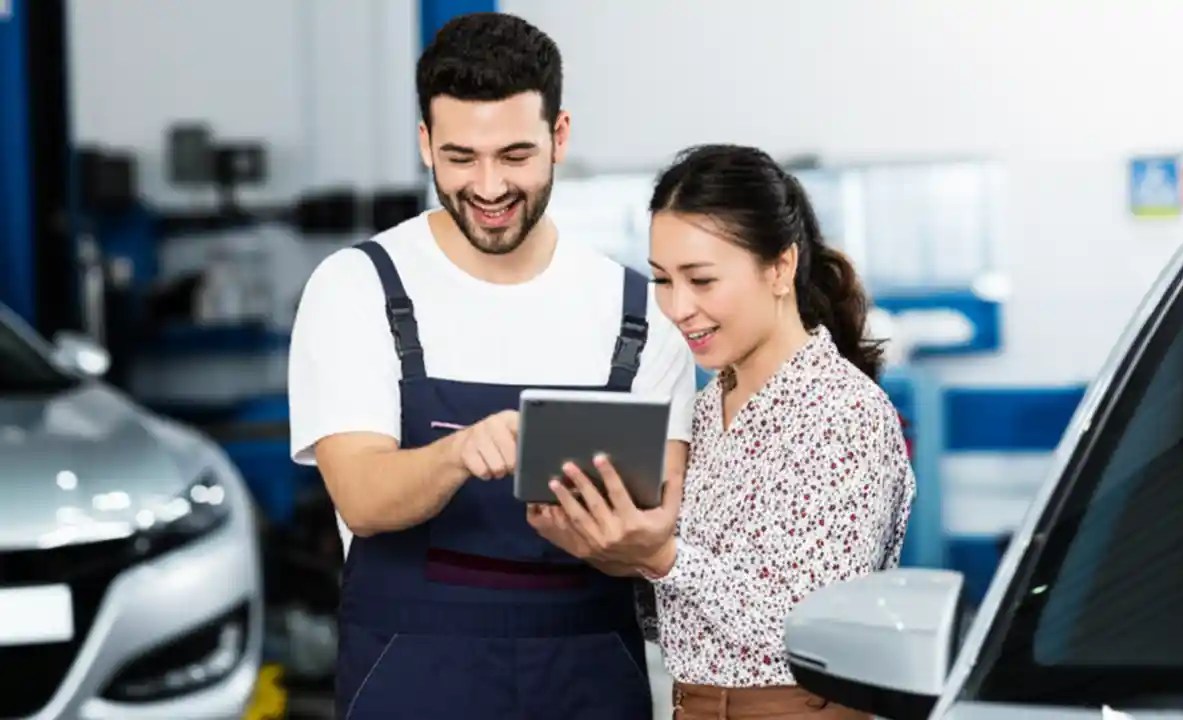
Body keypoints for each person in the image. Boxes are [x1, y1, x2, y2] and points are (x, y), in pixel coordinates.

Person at [287, 12, 696, 719]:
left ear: (559, 136)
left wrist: (614, 537)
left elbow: (661, 525)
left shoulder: (640, 315)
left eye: (514, 155)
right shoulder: (357, 288)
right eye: (460, 157)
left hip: (587, 680)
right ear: (425, 144)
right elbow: (360, 494)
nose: (488, 186)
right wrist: (456, 454)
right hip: (412, 680)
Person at [529, 144, 916, 719]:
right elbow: (695, 624)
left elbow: (813, 632)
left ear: (780, 267)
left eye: (702, 280)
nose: (679, 307)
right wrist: (615, 551)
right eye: (663, 279)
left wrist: (662, 557)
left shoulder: (844, 413)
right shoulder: (702, 412)